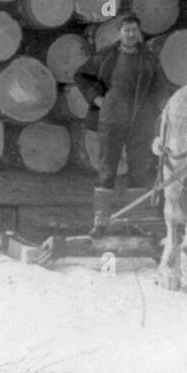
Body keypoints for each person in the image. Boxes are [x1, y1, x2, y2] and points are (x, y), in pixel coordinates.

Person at [74, 13, 174, 236]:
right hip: (111, 120)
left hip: (141, 122)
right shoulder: (106, 57)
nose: (130, 34)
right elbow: (81, 76)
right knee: (107, 171)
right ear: (120, 33)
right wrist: (96, 98)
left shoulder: (149, 59)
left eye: (134, 30)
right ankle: (101, 222)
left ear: (139, 33)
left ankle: (136, 221)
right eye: (126, 30)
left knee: (138, 171)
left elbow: (160, 87)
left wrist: (161, 105)